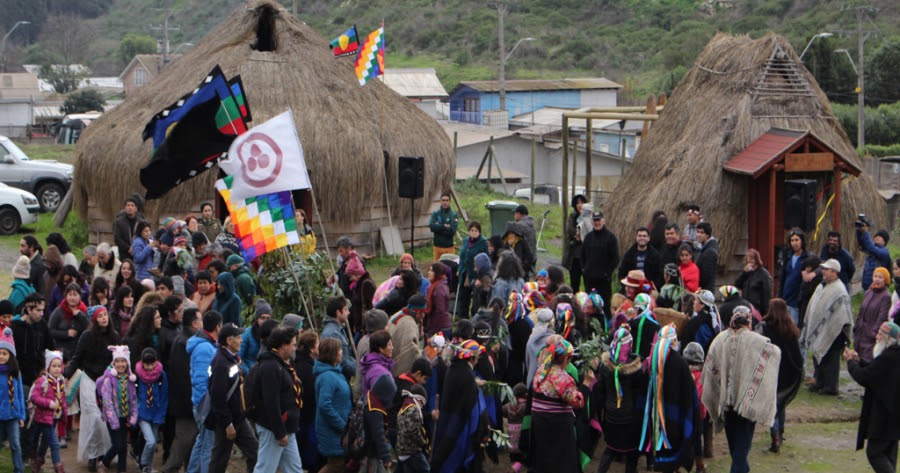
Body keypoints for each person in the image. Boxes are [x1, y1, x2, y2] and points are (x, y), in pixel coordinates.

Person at [703, 306, 781, 473]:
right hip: (747, 404)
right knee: (741, 447)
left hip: (727, 403)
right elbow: (775, 353)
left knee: (735, 446)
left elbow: (709, 363)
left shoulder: (720, 339)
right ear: (749, 321)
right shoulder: (756, 341)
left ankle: (741, 469)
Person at [64, 305, 120, 470]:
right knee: (93, 418)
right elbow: (77, 358)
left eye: (105, 315)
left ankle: (104, 453)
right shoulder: (87, 336)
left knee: (105, 419)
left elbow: (120, 359)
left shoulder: (114, 336)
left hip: (108, 381)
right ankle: (92, 454)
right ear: (95, 319)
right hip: (89, 380)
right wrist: (66, 375)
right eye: (100, 316)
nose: (104, 318)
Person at [639, 324, 698, 473]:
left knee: (662, 445)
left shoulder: (653, 361)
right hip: (675, 415)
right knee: (674, 446)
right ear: (673, 341)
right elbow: (689, 392)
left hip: (658, 416)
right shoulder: (680, 362)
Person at [843, 321, 900, 473]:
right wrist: (859, 361)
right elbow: (875, 371)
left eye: (880, 334)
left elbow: (865, 377)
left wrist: (850, 362)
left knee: (875, 453)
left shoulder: (888, 357)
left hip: (884, 416)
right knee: (889, 455)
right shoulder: (894, 354)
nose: (877, 337)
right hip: (894, 415)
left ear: (888, 338)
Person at [430, 340, 488, 473]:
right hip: (461, 425)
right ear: (472, 358)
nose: (478, 361)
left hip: (447, 419)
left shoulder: (452, 369)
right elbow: (473, 410)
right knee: (456, 457)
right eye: (477, 357)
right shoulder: (467, 376)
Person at [207, 323, 258, 472]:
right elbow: (218, 397)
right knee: (219, 459)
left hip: (237, 417)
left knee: (254, 452)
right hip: (228, 419)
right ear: (229, 340)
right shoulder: (221, 363)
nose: (241, 340)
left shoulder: (230, 359)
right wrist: (227, 423)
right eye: (238, 337)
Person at [595, 325, 646, 473]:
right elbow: (640, 393)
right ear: (629, 344)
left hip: (611, 415)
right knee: (631, 454)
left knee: (610, 450)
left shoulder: (605, 367)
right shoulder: (637, 370)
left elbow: (600, 391)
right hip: (630, 418)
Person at [253, 325, 303, 473]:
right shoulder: (270, 367)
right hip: (273, 429)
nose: (294, 348)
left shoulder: (282, 364)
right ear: (283, 345)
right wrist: (279, 432)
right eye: (293, 344)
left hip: (286, 426)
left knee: (294, 469)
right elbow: (271, 402)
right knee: (265, 469)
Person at [530, 337, 584, 472]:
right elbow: (577, 401)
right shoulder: (562, 378)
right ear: (565, 360)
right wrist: (586, 388)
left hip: (539, 421)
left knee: (543, 456)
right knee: (560, 460)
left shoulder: (541, 370)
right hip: (557, 425)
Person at [756, 299, 803, 453]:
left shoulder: (765, 328)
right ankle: (780, 433)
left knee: (773, 406)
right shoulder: (791, 330)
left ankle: (775, 434)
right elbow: (797, 356)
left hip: (772, 373)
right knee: (780, 405)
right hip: (787, 375)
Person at [801, 259, 853, 395]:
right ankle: (819, 382)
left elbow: (843, 314)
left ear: (834, 272)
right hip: (821, 331)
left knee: (831, 361)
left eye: (826, 269)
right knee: (819, 358)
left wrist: (833, 327)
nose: (823, 271)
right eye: (823, 269)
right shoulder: (822, 286)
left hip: (834, 332)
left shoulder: (839, 290)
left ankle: (830, 387)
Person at [161, 308, 200, 473]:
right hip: (185, 404)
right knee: (183, 442)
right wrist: (191, 402)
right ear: (195, 323)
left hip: (183, 401)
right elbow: (184, 377)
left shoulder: (182, 339)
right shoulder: (185, 343)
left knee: (190, 443)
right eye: (200, 320)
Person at [185, 311, 221, 473]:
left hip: (202, 403)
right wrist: (205, 408)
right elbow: (201, 381)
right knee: (208, 446)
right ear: (218, 327)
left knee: (202, 441)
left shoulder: (208, 345)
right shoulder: (205, 348)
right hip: (204, 404)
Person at [96, 345, 138, 473]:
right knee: (118, 445)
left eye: (123, 361)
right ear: (113, 363)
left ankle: (122, 469)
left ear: (127, 363)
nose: (121, 364)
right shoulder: (109, 379)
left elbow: (133, 400)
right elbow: (107, 402)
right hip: (112, 418)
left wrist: (132, 417)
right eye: (118, 361)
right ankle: (104, 461)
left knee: (123, 446)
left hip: (125, 416)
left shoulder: (130, 380)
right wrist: (114, 421)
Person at [360, 330, 396, 472]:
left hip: (375, 448)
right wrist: (386, 456)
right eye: (389, 345)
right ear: (381, 348)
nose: (392, 348)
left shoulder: (375, 364)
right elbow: (377, 429)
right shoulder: (379, 373)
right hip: (373, 448)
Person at [314, 337, 351, 473]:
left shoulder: (335, 373)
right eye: (339, 350)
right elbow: (325, 405)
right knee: (336, 465)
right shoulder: (328, 377)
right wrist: (342, 426)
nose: (341, 352)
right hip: (333, 431)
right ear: (332, 354)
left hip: (338, 430)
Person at [30, 349, 67, 473]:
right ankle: (58, 467)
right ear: (48, 367)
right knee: (54, 444)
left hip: (55, 417)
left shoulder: (61, 381)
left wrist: (64, 413)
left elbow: (62, 399)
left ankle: (38, 462)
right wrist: (49, 403)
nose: (57, 369)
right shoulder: (43, 381)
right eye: (54, 366)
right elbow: (34, 397)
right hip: (44, 417)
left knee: (45, 442)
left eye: (59, 366)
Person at [580, 210, 619, 320]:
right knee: (589, 305)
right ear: (592, 222)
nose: (597, 223)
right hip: (590, 280)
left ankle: (605, 326)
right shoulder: (588, 238)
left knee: (605, 306)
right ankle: (589, 325)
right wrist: (584, 270)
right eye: (595, 220)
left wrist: (607, 273)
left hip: (604, 281)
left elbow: (615, 259)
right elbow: (582, 256)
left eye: (599, 220)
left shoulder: (611, 238)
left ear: (603, 221)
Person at [135, 348, 168, 473]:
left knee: (153, 444)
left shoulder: (162, 376)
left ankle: (148, 467)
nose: (149, 367)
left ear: (156, 361)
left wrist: (161, 415)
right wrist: (135, 412)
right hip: (142, 414)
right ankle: (143, 463)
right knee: (151, 441)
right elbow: (133, 396)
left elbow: (164, 397)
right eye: (146, 364)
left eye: (152, 363)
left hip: (156, 414)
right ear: (142, 362)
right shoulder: (137, 376)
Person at [0, 328, 26, 473]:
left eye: (5, 353)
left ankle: (19, 469)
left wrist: (22, 415)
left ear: (11, 355)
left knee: (15, 445)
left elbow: (20, 395)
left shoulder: (16, 373)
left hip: (13, 415)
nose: (1, 356)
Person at [292, 330, 319, 471]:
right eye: (317, 343)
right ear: (311, 349)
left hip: (301, 414)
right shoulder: (308, 368)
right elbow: (310, 393)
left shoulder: (298, 363)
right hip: (307, 414)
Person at [682, 342, 711, 471]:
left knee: (683, 439)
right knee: (697, 441)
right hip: (698, 413)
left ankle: (678, 466)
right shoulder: (702, 375)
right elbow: (701, 396)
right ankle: (699, 465)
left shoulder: (682, 372)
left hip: (684, 412)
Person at [854, 266, 891, 362]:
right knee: (857, 362)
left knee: (867, 363)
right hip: (860, 334)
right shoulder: (868, 292)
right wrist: (856, 327)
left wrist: (873, 333)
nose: (877, 279)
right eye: (875, 276)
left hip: (871, 337)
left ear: (885, 280)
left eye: (880, 277)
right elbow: (861, 312)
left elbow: (882, 317)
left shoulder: (886, 296)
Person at [47, 283, 89, 362]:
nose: (72, 298)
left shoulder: (85, 310)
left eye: (75, 295)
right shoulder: (59, 311)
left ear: (80, 296)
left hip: (79, 353)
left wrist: (81, 316)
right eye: (70, 295)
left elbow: (89, 329)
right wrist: (66, 334)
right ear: (66, 296)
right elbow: (50, 330)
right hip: (61, 352)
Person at [456, 221, 489, 319]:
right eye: (471, 230)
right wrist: (459, 269)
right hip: (464, 272)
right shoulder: (466, 241)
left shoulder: (483, 243)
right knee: (463, 297)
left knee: (476, 299)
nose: (473, 232)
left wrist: (480, 277)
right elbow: (462, 256)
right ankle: (463, 318)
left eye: (476, 231)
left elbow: (485, 261)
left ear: (479, 232)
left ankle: (475, 319)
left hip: (476, 274)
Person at [388, 295, 426, 376]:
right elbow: (412, 352)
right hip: (397, 369)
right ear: (417, 313)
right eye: (422, 313)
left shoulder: (398, 314)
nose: (423, 316)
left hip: (389, 360)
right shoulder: (409, 324)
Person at [395, 384, 430, 473]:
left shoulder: (402, 409)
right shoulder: (414, 410)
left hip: (402, 450)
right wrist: (422, 442)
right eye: (422, 403)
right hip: (412, 451)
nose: (422, 406)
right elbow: (413, 431)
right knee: (425, 470)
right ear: (419, 399)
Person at [619, 226, 663, 291]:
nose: (642, 238)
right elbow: (621, 272)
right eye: (640, 236)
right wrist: (626, 286)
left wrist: (652, 288)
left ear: (648, 238)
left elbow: (659, 275)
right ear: (636, 237)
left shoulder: (655, 255)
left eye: (644, 236)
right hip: (631, 287)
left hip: (649, 288)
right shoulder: (629, 254)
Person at [780, 228, 808, 325]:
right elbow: (782, 278)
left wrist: (813, 273)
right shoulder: (788, 257)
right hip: (785, 299)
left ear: (802, 241)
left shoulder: (807, 257)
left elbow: (820, 267)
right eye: (792, 240)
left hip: (797, 302)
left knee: (795, 328)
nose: (794, 243)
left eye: (797, 240)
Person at [734, 249, 772, 316]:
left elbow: (767, 293)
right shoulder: (747, 273)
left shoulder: (763, 273)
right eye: (748, 259)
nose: (749, 261)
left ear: (757, 260)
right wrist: (744, 273)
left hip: (758, 308)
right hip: (746, 307)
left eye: (752, 259)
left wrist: (766, 311)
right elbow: (737, 284)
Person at [856, 222, 892, 292]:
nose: (877, 237)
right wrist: (859, 231)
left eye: (880, 236)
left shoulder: (884, 252)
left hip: (878, 287)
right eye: (876, 236)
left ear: (884, 241)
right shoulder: (872, 250)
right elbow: (862, 244)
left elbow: (871, 248)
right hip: (867, 287)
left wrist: (866, 232)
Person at [684, 289, 721, 355]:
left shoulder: (697, 323)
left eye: (696, 300)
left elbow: (698, 346)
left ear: (702, 305)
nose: (693, 303)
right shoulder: (715, 320)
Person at [346, 253, 376, 335]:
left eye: (351, 276)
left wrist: (364, 326)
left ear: (357, 274)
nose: (350, 279)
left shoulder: (366, 284)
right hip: (360, 326)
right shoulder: (358, 285)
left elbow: (370, 306)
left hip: (364, 327)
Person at [564, 194, 588, 292]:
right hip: (574, 255)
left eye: (582, 202)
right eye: (577, 203)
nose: (580, 205)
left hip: (586, 255)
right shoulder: (572, 217)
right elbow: (570, 230)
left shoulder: (589, 217)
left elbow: (589, 231)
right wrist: (577, 234)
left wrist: (581, 235)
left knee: (588, 283)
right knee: (574, 283)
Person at [113, 194, 144, 261]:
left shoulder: (141, 221)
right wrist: (128, 248)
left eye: (132, 205)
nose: (130, 207)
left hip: (138, 252)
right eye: (128, 205)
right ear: (125, 208)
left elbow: (144, 235)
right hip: (124, 254)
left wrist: (136, 247)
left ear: (136, 209)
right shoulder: (119, 222)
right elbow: (117, 239)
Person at [430, 192, 459, 262]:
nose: (445, 202)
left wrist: (438, 227)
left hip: (449, 248)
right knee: (436, 268)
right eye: (443, 200)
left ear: (450, 202)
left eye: (446, 200)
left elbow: (452, 231)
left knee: (449, 268)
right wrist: (444, 226)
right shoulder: (435, 214)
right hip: (437, 248)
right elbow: (432, 227)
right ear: (440, 201)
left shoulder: (453, 215)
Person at [424, 263, 450, 338]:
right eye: (429, 270)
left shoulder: (439, 288)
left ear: (437, 272)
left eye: (432, 271)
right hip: (435, 325)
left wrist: (433, 330)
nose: (429, 272)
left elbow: (440, 310)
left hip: (439, 327)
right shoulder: (435, 285)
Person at [513, 204, 538, 270]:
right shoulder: (532, 225)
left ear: (518, 214)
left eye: (515, 213)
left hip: (523, 259)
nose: (514, 215)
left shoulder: (519, 225)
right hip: (533, 256)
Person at [695, 222, 718, 292]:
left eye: (702, 233)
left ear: (708, 235)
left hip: (705, 290)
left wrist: (699, 287)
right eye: (697, 232)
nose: (698, 235)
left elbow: (706, 275)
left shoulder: (710, 252)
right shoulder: (703, 249)